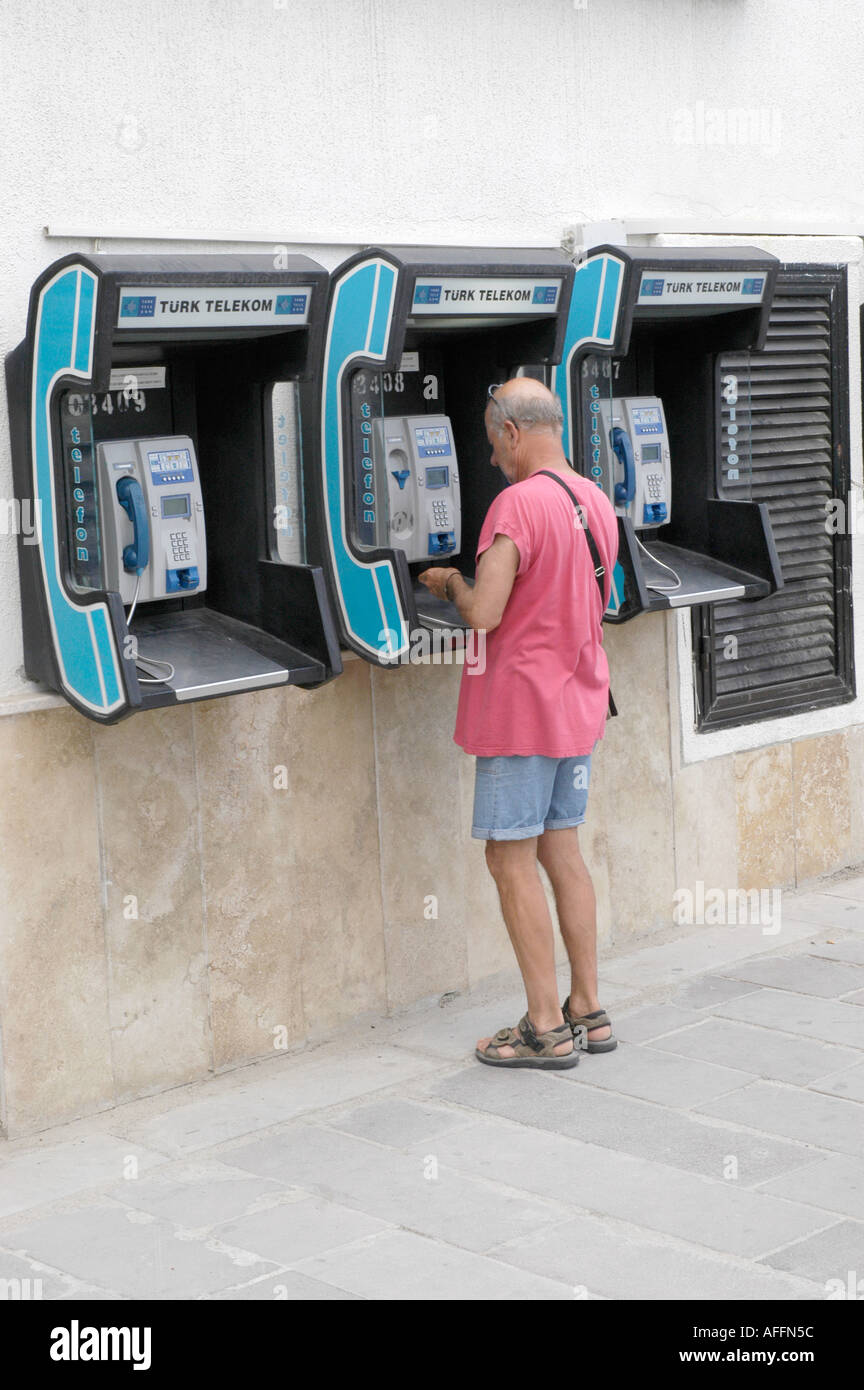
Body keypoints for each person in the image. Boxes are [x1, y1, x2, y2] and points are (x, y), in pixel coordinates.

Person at [418, 377, 619, 1069]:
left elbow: (485, 613)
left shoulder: (515, 506)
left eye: (491, 444)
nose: (492, 460)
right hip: (577, 704)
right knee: (561, 851)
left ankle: (542, 1025)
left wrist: (446, 583)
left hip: (520, 709)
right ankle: (587, 1009)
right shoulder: (595, 499)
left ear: (511, 431)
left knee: (509, 858)